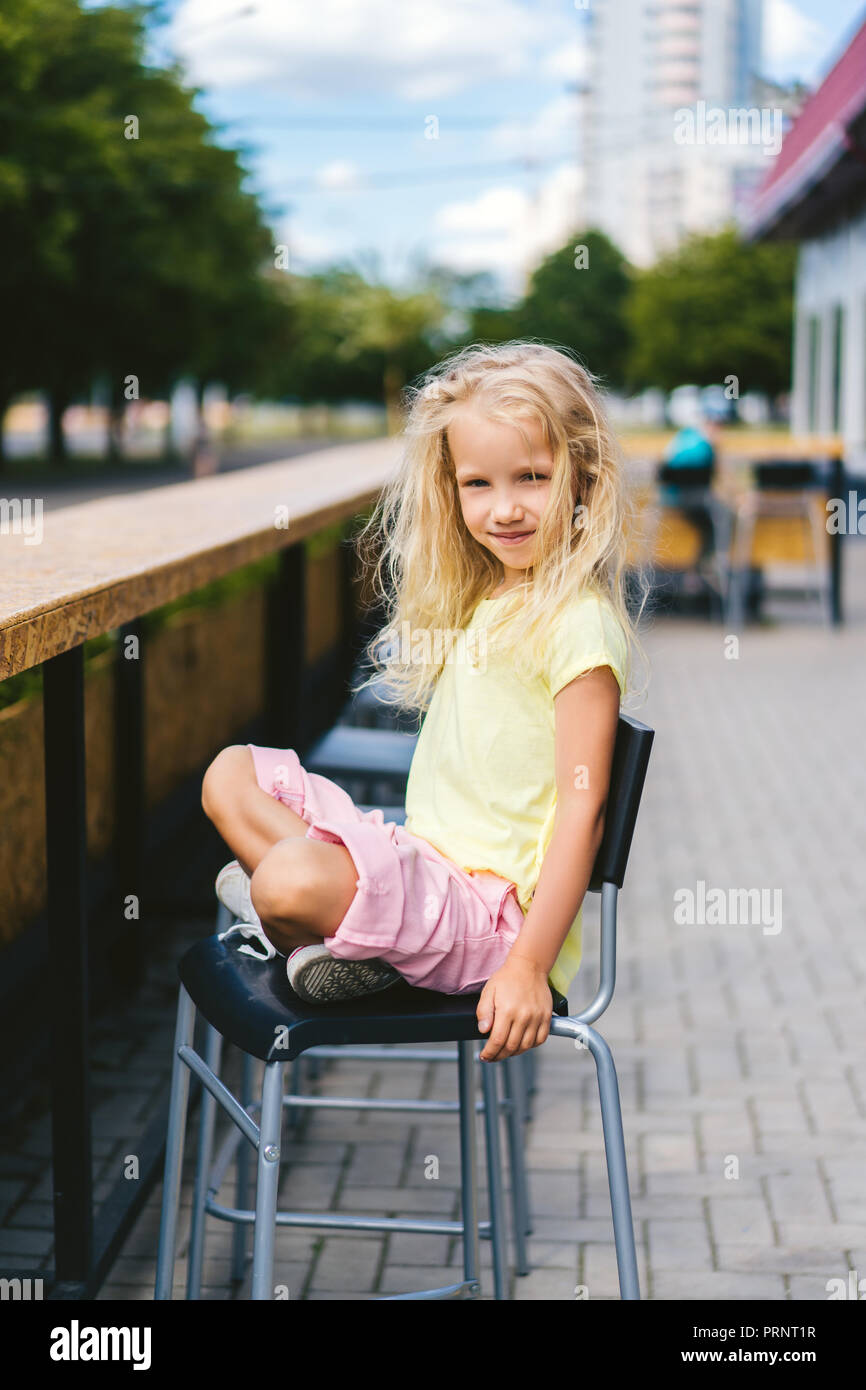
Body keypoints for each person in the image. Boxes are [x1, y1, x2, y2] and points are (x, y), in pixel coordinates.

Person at [201, 342, 648, 1062]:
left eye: (532, 478)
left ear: (583, 478)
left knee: (283, 877)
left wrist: (529, 965)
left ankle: (306, 922)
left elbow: (581, 809)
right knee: (230, 775)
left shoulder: (577, 623)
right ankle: (343, 941)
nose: (505, 508)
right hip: (424, 865)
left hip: (488, 918)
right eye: (478, 484)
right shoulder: (495, 595)